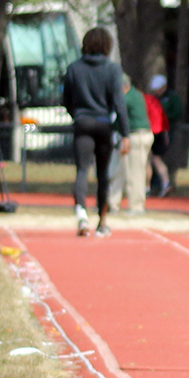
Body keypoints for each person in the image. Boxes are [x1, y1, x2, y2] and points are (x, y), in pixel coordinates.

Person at [62, 27, 129, 237]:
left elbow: (65, 100)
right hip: (103, 123)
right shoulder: (113, 69)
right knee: (102, 174)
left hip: (82, 121)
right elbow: (119, 104)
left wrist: (77, 115)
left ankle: (81, 212)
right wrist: (125, 133)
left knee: (82, 169)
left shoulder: (74, 68)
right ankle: (102, 220)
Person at [116, 78, 155, 215]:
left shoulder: (128, 97)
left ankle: (136, 206)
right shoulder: (136, 94)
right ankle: (113, 203)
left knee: (135, 173)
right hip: (143, 135)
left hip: (136, 136)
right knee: (130, 170)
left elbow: (118, 112)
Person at [144, 75, 172, 198]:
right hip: (160, 131)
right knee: (157, 159)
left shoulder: (145, 100)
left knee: (148, 160)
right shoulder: (155, 101)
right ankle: (166, 182)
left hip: (151, 131)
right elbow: (163, 117)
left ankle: (146, 187)